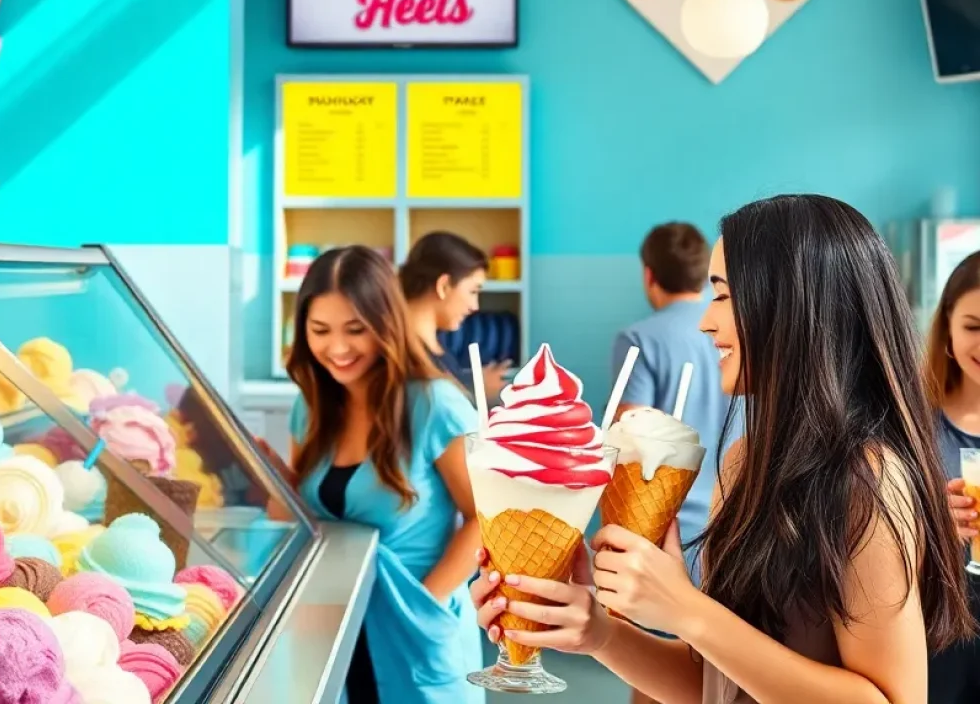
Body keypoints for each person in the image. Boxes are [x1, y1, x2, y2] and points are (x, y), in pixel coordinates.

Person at [472, 195, 973, 703]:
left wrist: (686, 608)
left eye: (723, 296)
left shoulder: (868, 476)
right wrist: (596, 632)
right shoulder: (742, 462)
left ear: (792, 305)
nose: (705, 322)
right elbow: (716, 684)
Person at [279, 245, 482, 703]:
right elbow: (295, 512)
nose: (337, 347)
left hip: (417, 629)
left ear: (387, 324)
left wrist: (425, 602)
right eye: (320, 330)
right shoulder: (309, 407)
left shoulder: (435, 405)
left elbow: (486, 519)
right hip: (333, 629)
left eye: (356, 329)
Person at [610, 223, 735, 568]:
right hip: (738, 526)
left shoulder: (638, 340)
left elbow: (630, 434)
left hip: (664, 532)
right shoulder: (738, 333)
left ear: (649, 276)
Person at [925, 251, 980, 700]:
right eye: (974, 327)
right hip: (937, 632)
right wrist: (930, 523)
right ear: (947, 328)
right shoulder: (911, 422)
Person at [400, 231, 511, 406]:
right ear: (443, 286)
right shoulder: (405, 357)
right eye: (473, 291)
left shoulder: (432, 349)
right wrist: (477, 392)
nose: (475, 306)